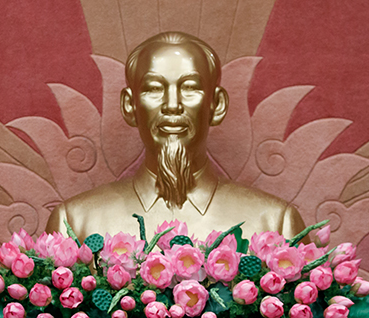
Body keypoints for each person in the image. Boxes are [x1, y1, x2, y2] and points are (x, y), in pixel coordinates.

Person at [45, 31, 305, 241]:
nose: (172, 105)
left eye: (190, 87)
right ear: (129, 106)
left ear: (217, 105)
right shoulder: (75, 224)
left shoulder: (276, 224)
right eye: (154, 89)